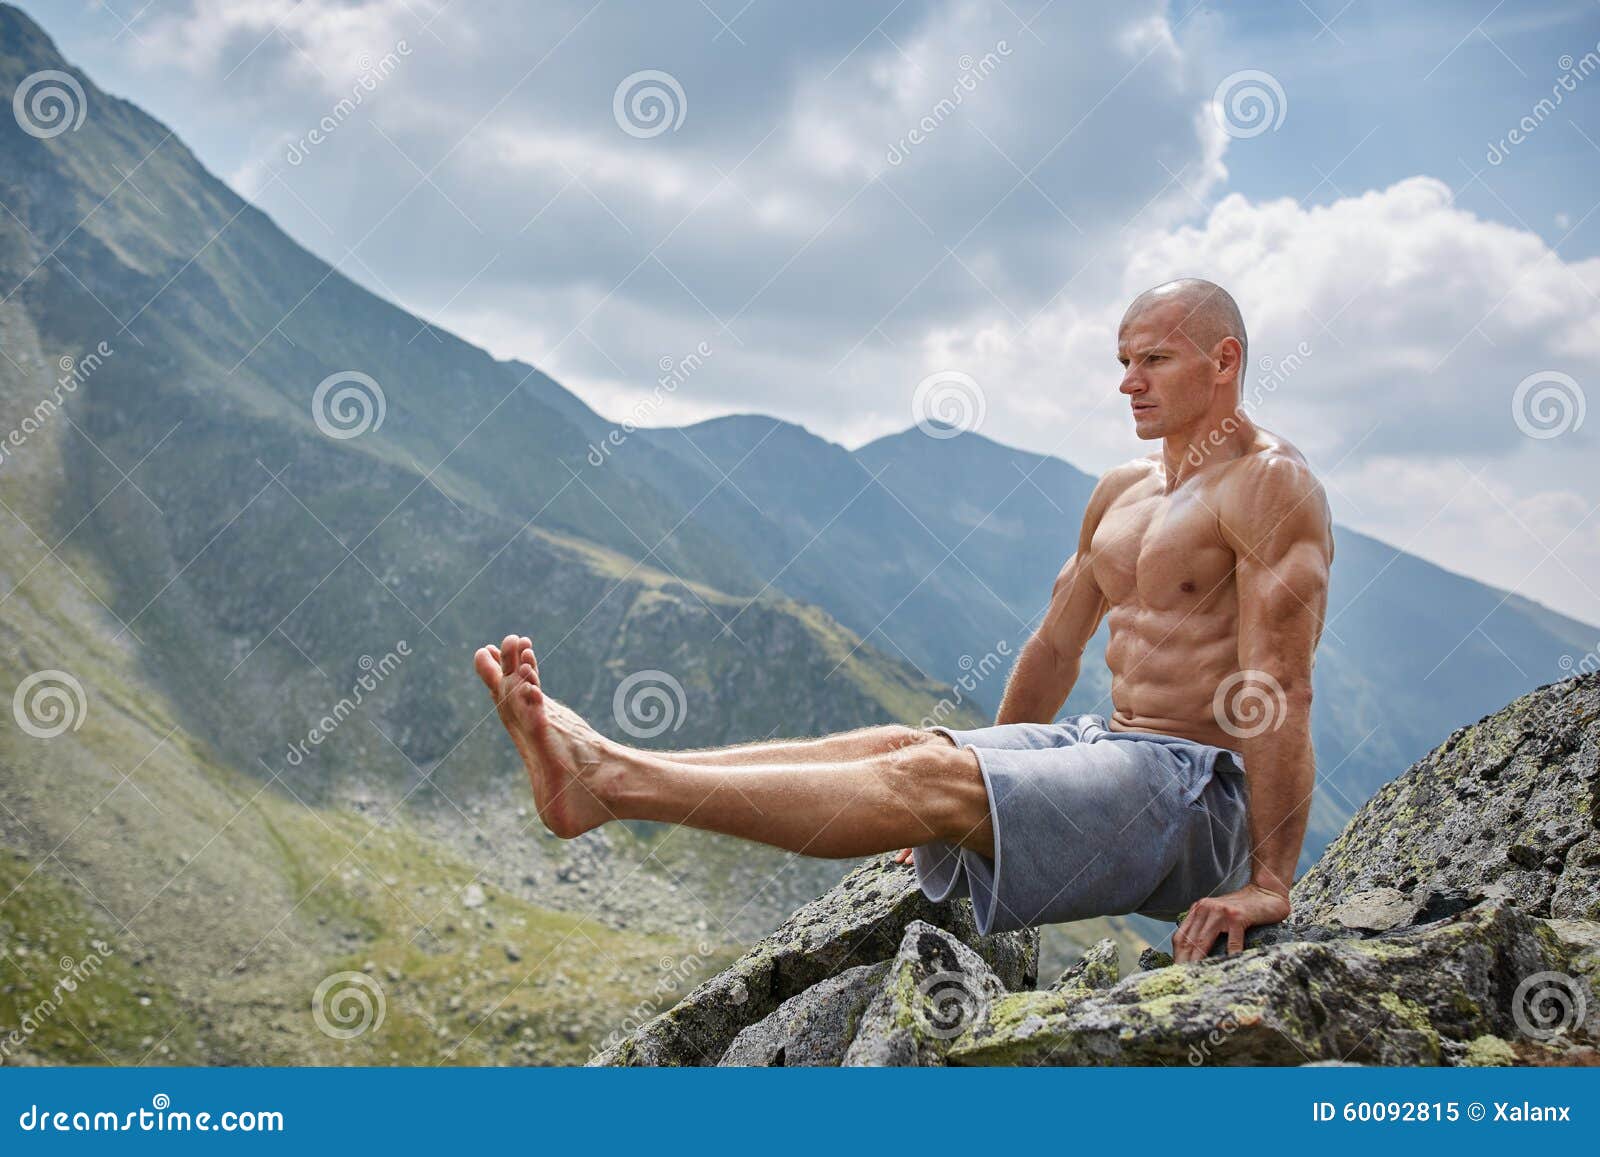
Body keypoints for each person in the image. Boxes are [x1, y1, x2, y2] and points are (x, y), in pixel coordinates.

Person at [472, 278, 1333, 963]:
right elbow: (1054, 646)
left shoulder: (1269, 486)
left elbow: (1279, 685)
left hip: (1199, 792)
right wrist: (978, 795)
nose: (1127, 381)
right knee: (906, 752)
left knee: (926, 783)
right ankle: (615, 762)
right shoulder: (1125, 489)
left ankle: (611, 787)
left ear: (1225, 361)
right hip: (1109, 742)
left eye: (1154, 359)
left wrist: (1268, 882)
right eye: (1123, 358)